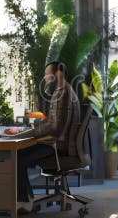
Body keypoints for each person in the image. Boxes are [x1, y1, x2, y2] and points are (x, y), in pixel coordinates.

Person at [11, 61, 80, 207]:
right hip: (64, 145)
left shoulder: (61, 92)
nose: (45, 77)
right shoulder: (66, 90)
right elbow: (55, 122)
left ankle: (24, 202)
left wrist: (27, 134)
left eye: (47, 73)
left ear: (58, 74)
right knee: (22, 153)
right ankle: (26, 198)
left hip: (58, 148)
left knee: (17, 156)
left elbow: (54, 127)